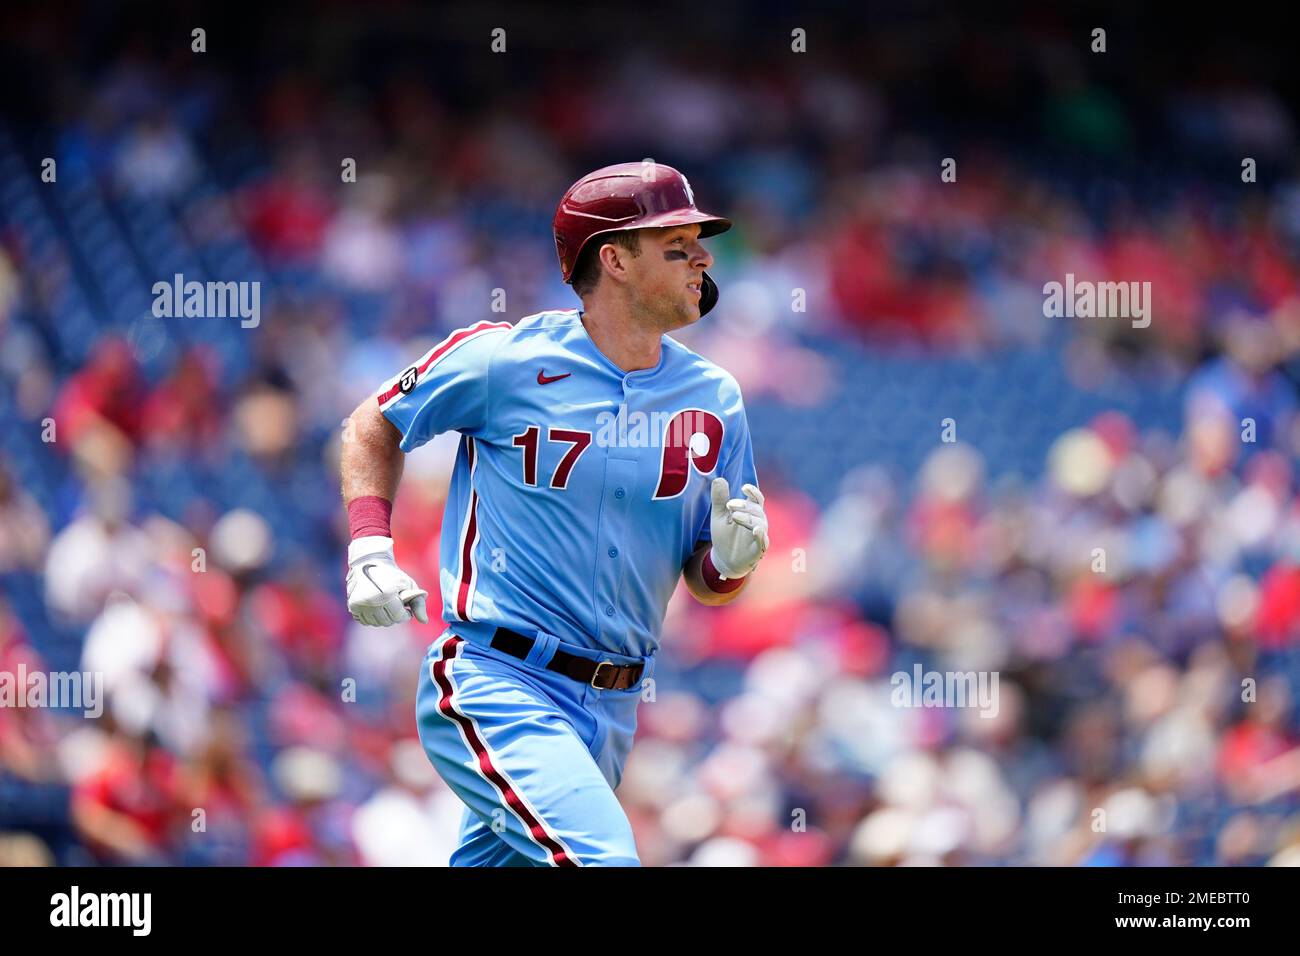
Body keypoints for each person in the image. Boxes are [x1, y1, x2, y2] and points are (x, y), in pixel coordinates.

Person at [339, 161, 769, 866]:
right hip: (498, 679)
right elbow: (373, 425)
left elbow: (708, 578)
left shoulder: (716, 396)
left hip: (614, 708)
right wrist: (368, 549)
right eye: (676, 244)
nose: (704, 257)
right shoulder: (504, 360)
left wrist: (730, 562)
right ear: (615, 259)